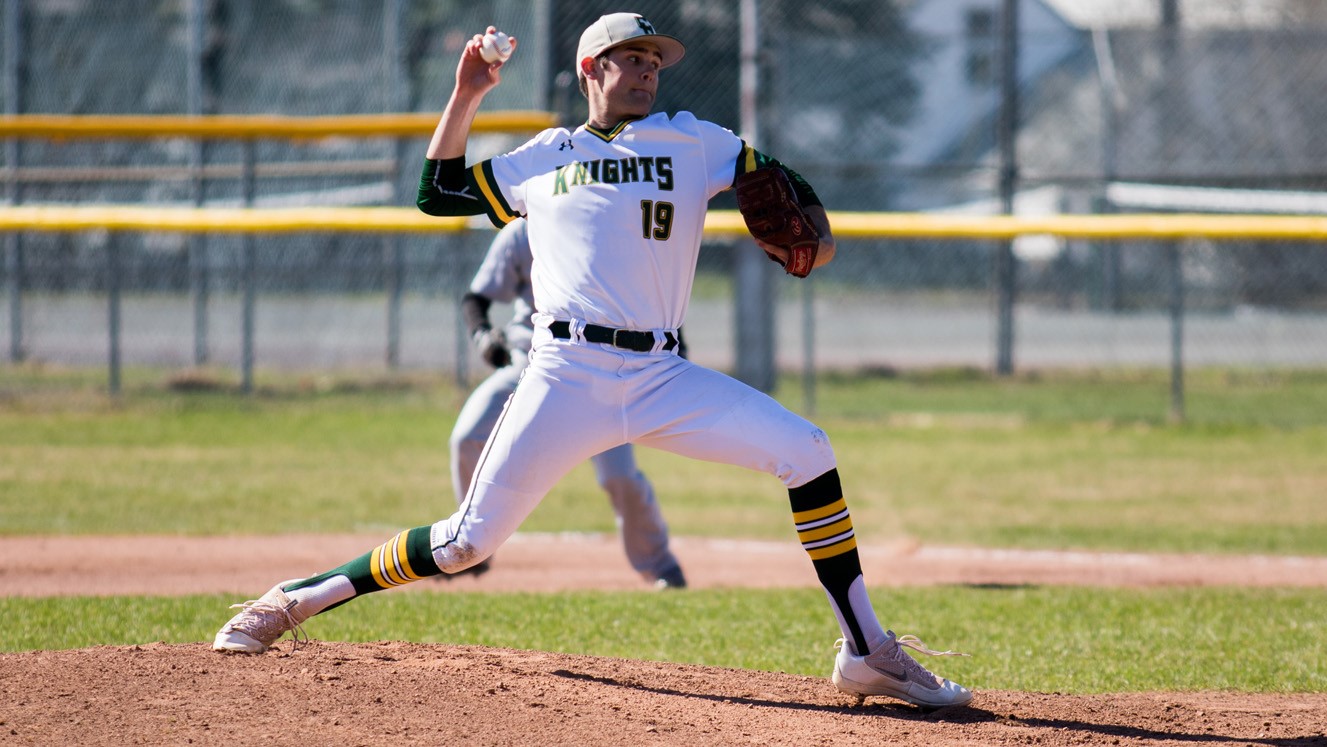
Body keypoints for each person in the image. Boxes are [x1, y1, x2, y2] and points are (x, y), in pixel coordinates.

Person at [213, 13, 972, 710]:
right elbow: (437, 193)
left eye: (653, 61)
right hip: (563, 374)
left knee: (806, 450)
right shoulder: (545, 157)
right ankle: (289, 600)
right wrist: (466, 93)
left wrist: (803, 223)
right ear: (589, 70)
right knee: (464, 542)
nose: (645, 71)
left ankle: (866, 649)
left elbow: (789, 194)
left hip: (662, 376)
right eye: (627, 59)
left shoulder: (694, 139)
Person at [451, 217, 686, 588]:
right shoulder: (523, 231)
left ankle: (661, 567)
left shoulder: (608, 226)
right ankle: (469, 548)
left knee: (620, 475)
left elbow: (651, 296)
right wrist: (483, 336)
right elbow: (475, 298)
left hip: (604, 374)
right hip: (529, 367)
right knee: (467, 437)